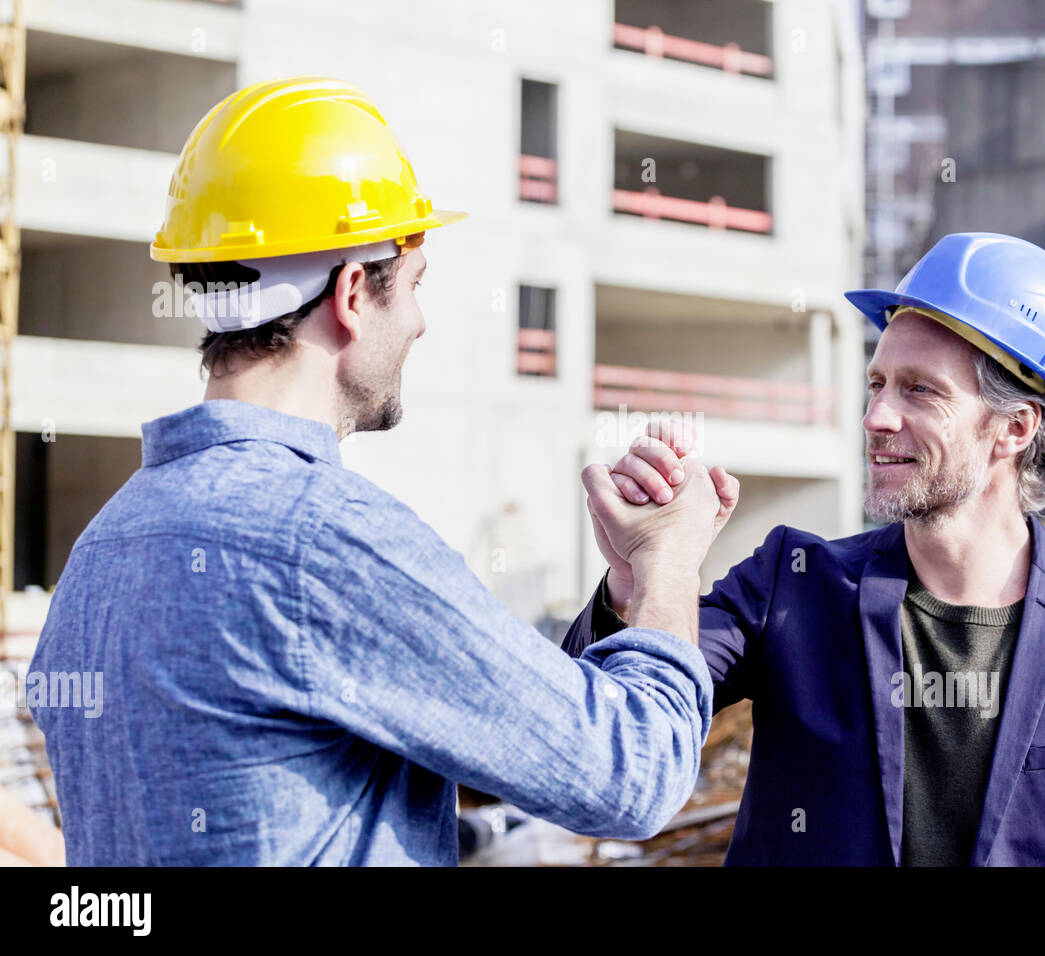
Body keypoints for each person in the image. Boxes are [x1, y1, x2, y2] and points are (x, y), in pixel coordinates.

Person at [28, 76, 732, 866]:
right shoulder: (322, 542)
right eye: (417, 283)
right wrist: (670, 559)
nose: (423, 322)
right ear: (355, 291)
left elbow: (499, 731)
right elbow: (630, 775)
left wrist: (622, 603)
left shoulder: (104, 549)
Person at [566, 233, 1045, 865]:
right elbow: (598, 733)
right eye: (877, 384)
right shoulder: (792, 587)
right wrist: (645, 574)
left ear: (1014, 428)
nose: (876, 417)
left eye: (919, 389)